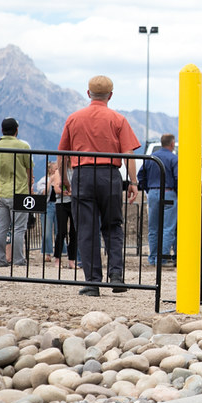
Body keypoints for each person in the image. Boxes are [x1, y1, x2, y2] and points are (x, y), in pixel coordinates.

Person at [58, 75, 141, 296]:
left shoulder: (74, 118)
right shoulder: (118, 119)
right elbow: (129, 153)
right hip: (110, 176)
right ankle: (116, 276)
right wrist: (133, 181)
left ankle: (92, 282)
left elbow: (62, 153)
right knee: (113, 225)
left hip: (82, 175)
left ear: (88, 94)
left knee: (86, 229)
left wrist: (64, 179)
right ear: (110, 96)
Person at [0, 117, 33, 268]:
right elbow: (28, 168)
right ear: (17, 130)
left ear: (2, 130)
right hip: (20, 191)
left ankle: (0, 259)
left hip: (2, 190)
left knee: (1, 228)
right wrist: (30, 187)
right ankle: (18, 260)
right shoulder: (23, 146)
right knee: (18, 228)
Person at [136, 133, 178, 267]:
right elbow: (178, 178)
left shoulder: (151, 158)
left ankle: (153, 258)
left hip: (153, 193)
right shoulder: (174, 158)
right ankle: (163, 258)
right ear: (172, 144)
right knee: (168, 227)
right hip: (169, 193)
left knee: (153, 228)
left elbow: (140, 175)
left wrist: (148, 189)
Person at [53, 157, 77, 269]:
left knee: (74, 232)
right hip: (62, 203)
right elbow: (56, 189)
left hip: (74, 203)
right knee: (61, 231)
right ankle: (57, 259)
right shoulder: (59, 172)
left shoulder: (76, 170)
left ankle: (71, 260)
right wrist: (66, 192)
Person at [36, 161, 58, 263]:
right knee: (47, 231)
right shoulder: (43, 181)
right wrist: (50, 182)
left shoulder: (60, 179)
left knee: (59, 231)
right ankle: (47, 253)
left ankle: (60, 252)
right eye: (55, 169)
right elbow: (43, 193)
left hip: (58, 205)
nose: (56, 170)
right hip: (47, 206)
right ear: (50, 170)